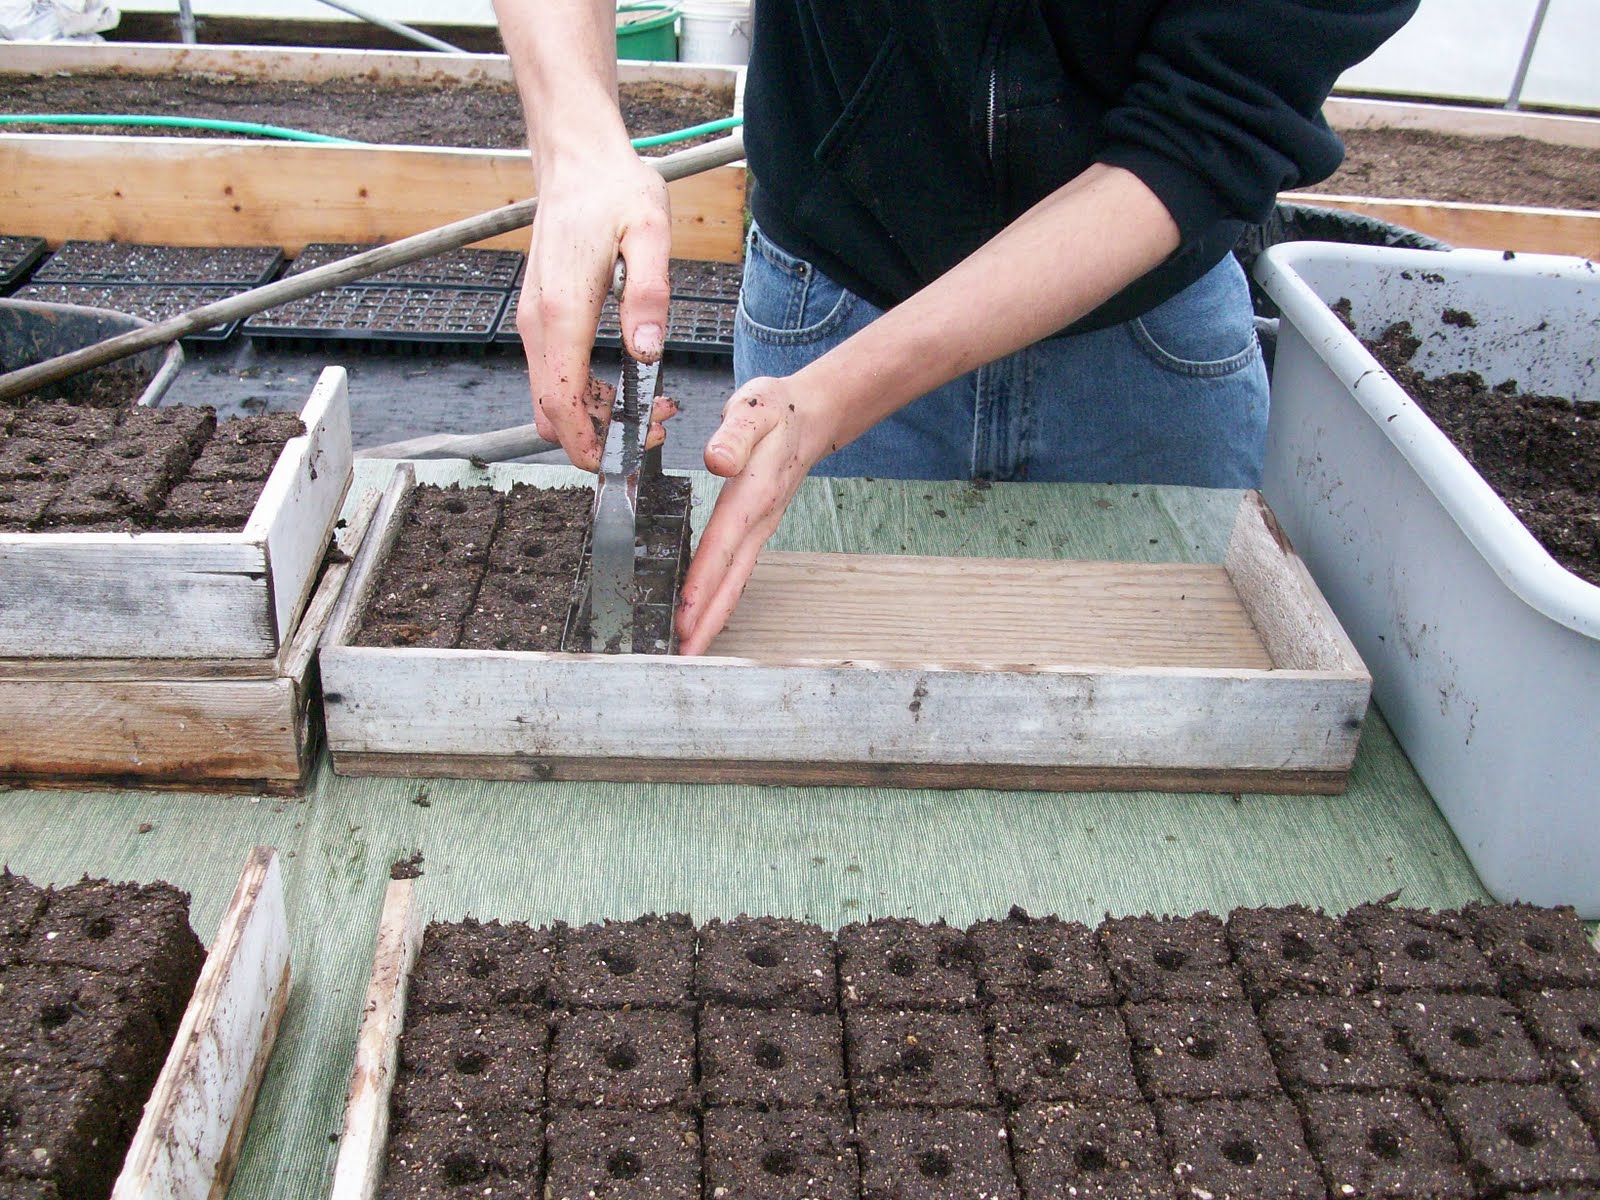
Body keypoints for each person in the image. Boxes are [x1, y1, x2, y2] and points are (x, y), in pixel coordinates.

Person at [491, 0, 1419, 655]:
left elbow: (1209, 127)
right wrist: (577, 145)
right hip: (837, 287)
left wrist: (838, 398)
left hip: (1147, 339)